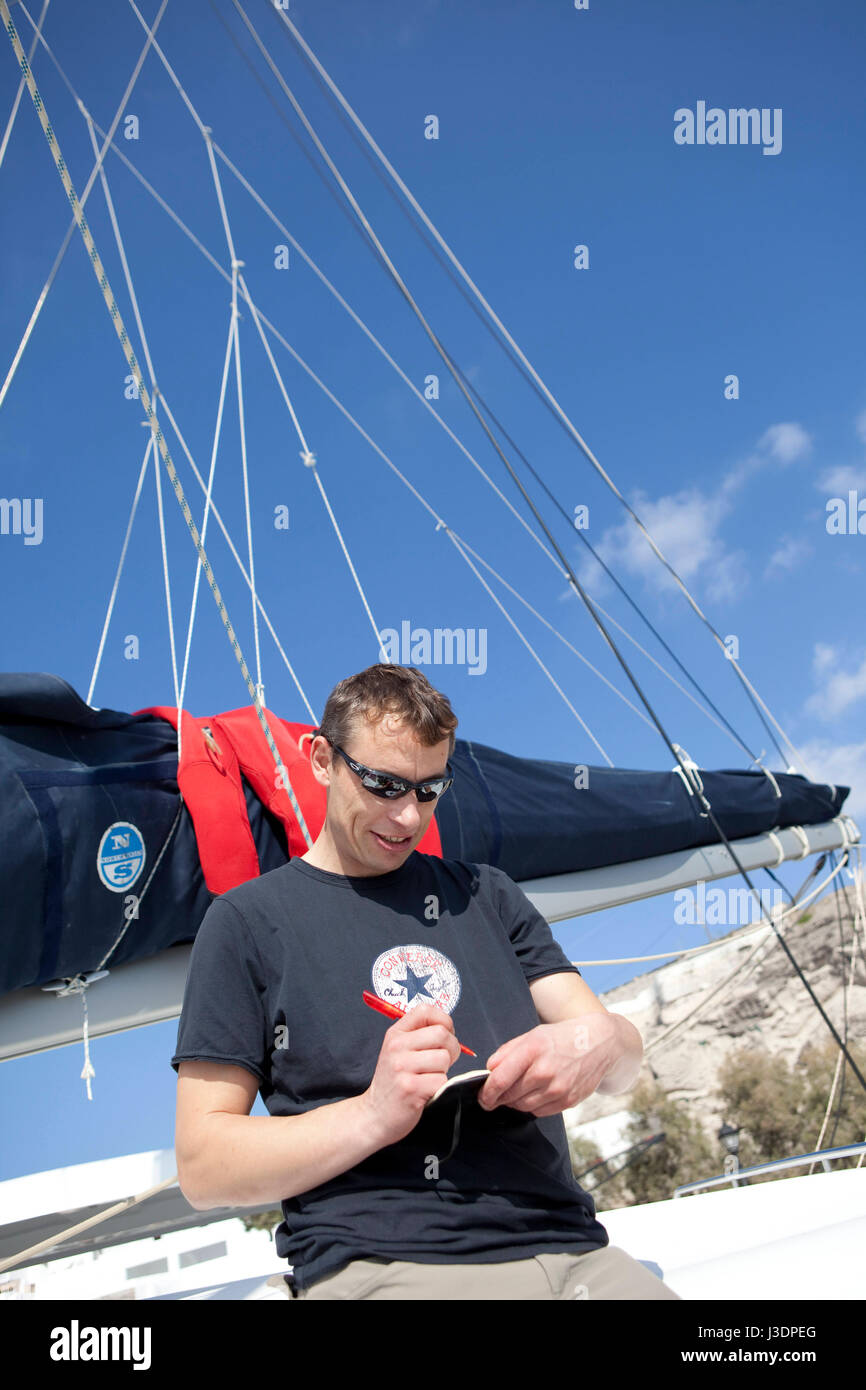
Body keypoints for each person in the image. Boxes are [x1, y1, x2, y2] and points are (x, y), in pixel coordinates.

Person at [171, 664, 681, 1300]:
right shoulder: (245, 924)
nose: (409, 817)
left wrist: (595, 1043)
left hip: (576, 1253)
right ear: (321, 759)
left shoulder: (487, 895)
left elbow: (622, 1060)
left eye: (430, 789)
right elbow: (202, 1166)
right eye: (384, 785)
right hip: (388, 1267)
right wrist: (375, 1114)